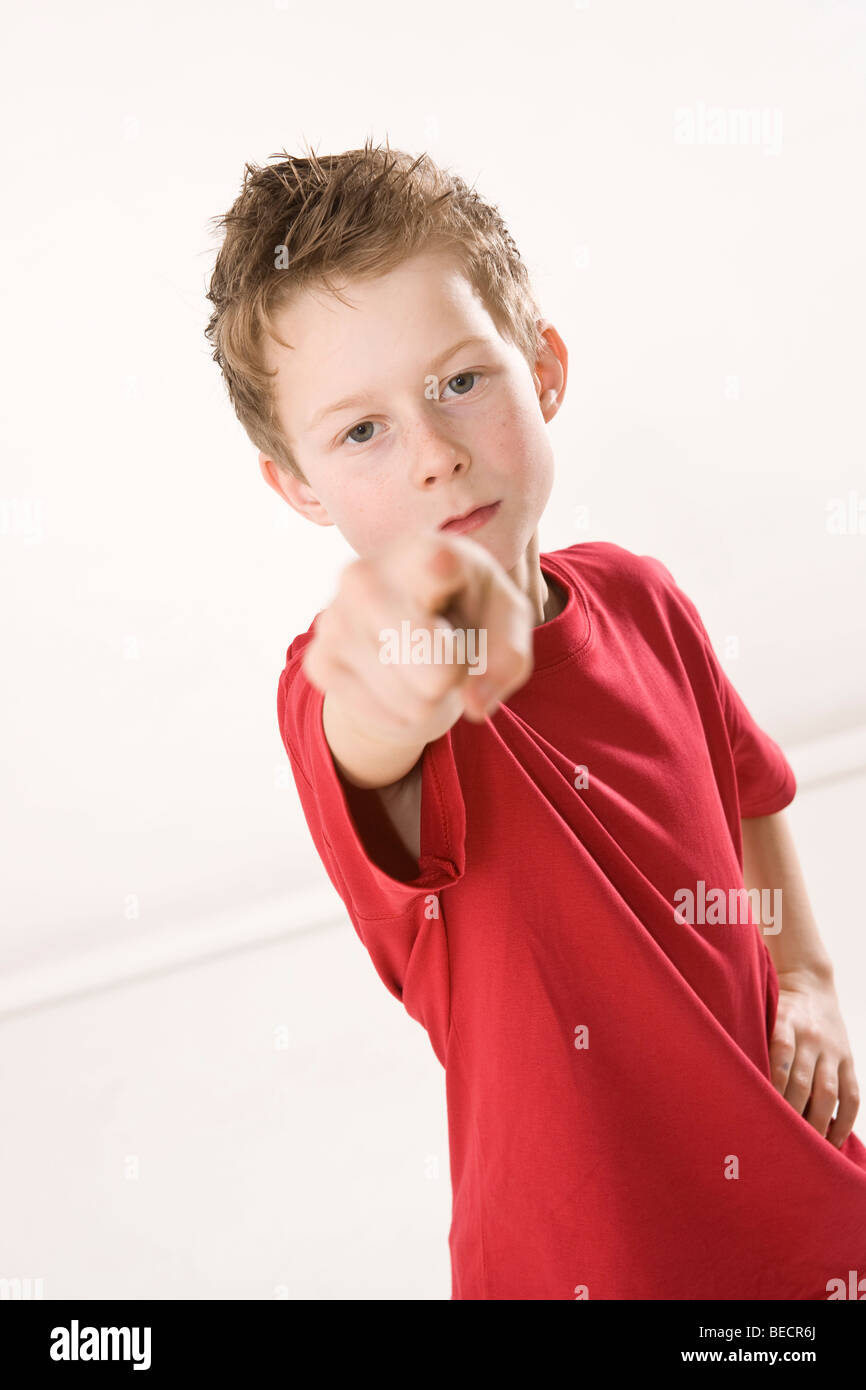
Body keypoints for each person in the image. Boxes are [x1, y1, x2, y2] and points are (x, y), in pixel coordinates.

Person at [204, 138, 866, 1299]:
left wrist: (802, 970)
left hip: (810, 1213)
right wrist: (397, 650)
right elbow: (364, 708)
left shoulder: (641, 597)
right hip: (583, 1264)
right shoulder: (344, 685)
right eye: (361, 433)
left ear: (543, 369)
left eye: (459, 381)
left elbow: (747, 795)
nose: (437, 455)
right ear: (297, 486)